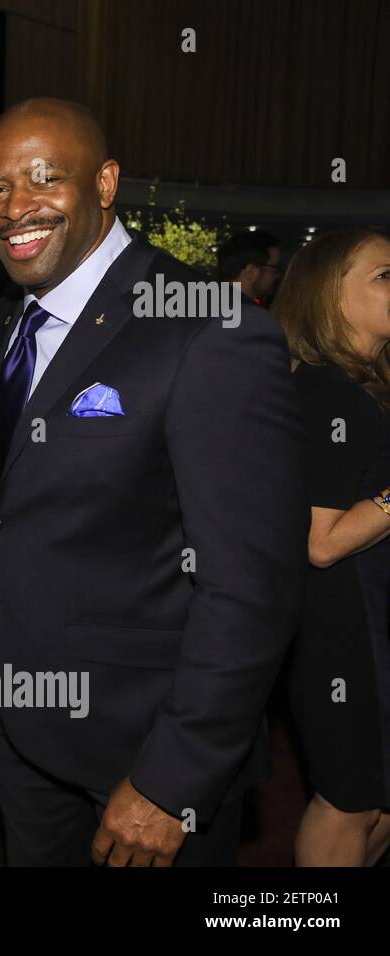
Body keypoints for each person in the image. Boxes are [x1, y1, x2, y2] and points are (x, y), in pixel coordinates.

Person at [0, 97, 307, 866]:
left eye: (44, 178)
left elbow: (253, 587)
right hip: (25, 741)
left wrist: (173, 780)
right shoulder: (1, 328)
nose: (15, 207)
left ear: (105, 182)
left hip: (143, 753)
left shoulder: (208, 328)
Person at [274, 228, 390, 867]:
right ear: (331, 298)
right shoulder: (331, 395)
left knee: (373, 802)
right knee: (349, 801)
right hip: (342, 631)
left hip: (364, 624)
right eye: (382, 275)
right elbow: (321, 542)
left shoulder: (356, 387)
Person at [217, 229, 283, 309]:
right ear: (250, 271)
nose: (278, 275)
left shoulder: (206, 306)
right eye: (275, 268)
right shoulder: (250, 316)